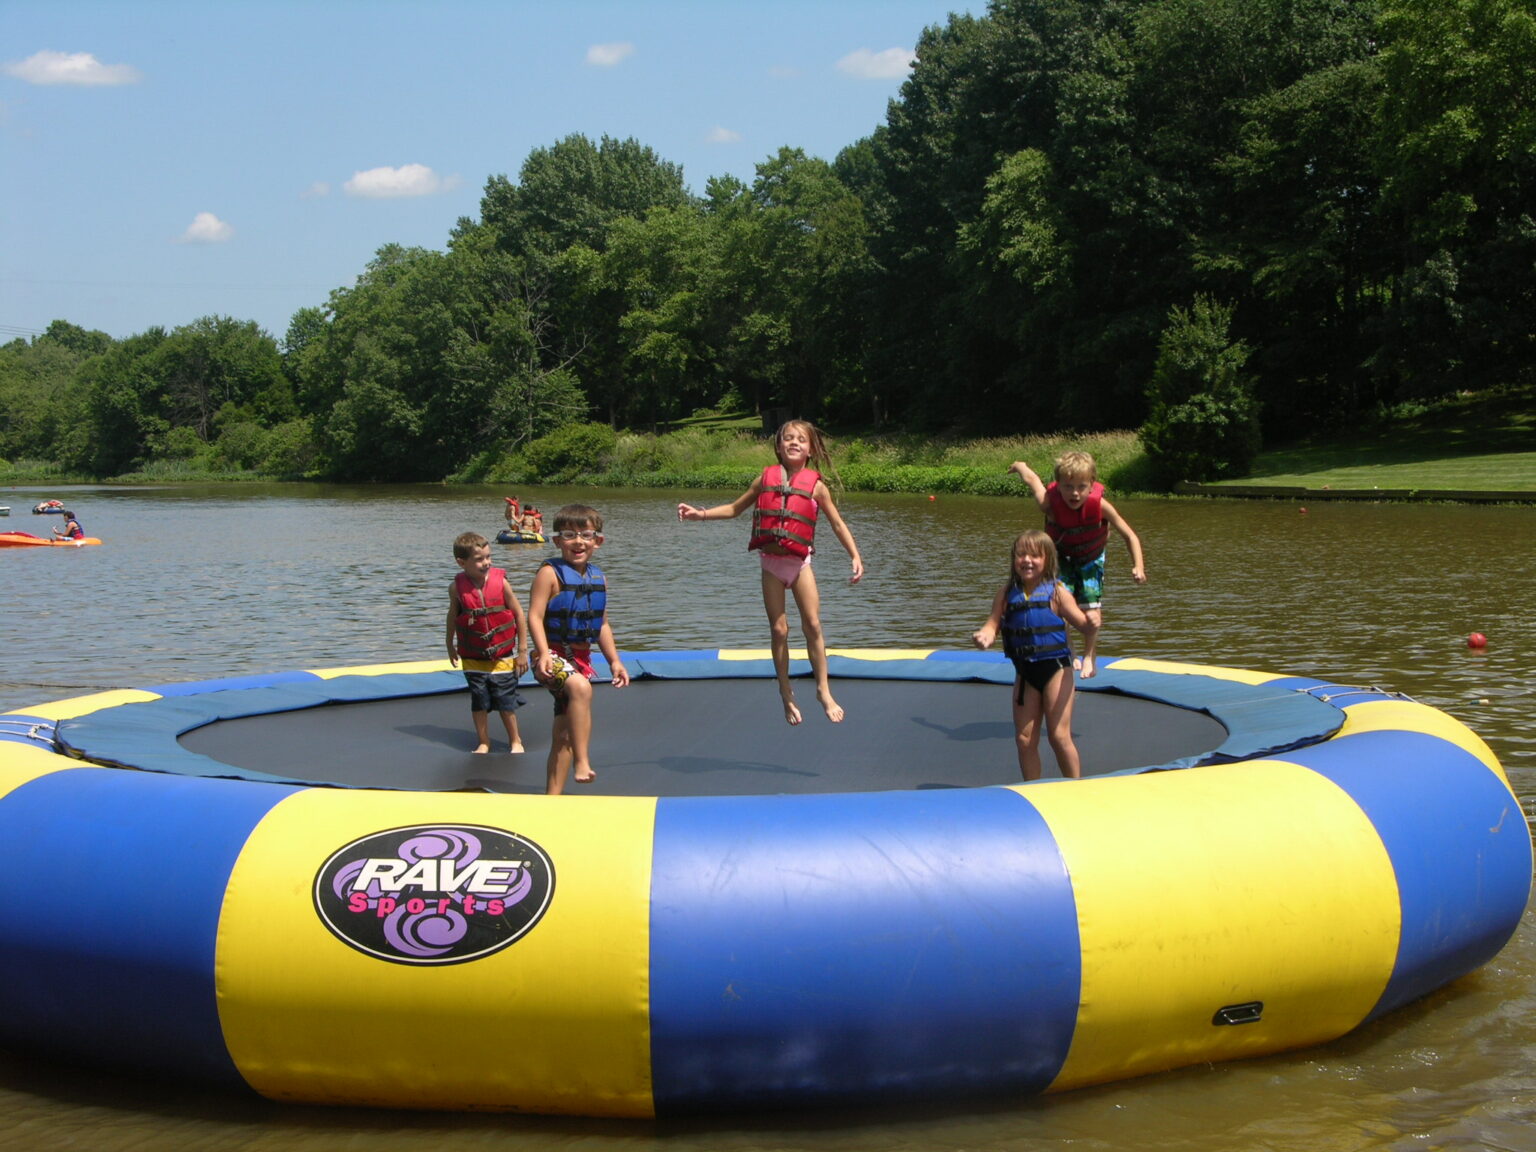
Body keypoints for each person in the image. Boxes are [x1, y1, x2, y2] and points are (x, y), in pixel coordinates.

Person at [678, 419, 864, 725]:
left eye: (800, 439)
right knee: (779, 630)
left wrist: (855, 555)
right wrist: (701, 514)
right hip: (771, 565)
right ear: (778, 446)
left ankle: (823, 690)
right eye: (787, 438)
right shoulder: (764, 479)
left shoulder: (817, 486)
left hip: (799, 564)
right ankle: (786, 691)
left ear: (811, 448)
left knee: (813, 625)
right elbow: (735, 509)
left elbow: (837, 523)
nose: (793, 443)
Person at [972, 529, 1098, 781]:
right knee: (1024, 738)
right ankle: (1034, 789)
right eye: (1021, 554)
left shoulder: (1057, 593)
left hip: (1056, 670)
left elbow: (1082, 625)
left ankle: (1075, 787)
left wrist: (1090, 624)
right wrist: (985, 635)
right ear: (1013, 559)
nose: (1027, 560)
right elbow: (992, 623)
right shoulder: (1006, 593)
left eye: (1034, 555)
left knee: (1058, 736)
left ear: (1047, 560)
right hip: (1025, 673)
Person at [1009, 452, 1145, 679]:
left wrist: (1138, 566)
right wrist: (1020, 466)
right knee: (1059, 603)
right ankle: (1069, 648)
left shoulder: (1100, 506)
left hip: (1091, 557)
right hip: (1062, 556)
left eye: (1081, 487)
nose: (1074, 493)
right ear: (1058, 486)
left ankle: (1090, 655)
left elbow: (1130, 535)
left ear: (1092, 485)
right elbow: (1032, 480)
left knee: (1091, 607)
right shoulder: (1049, 503)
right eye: (1068, 486)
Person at [527, 503, 629, 794]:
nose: (578, 542)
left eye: (586, 535)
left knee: (563, 736)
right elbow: (534, 615)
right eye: (570, 535)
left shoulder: (598, 578)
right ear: (558, 541)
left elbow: (603, 625)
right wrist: (544, 652)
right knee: (582, 689)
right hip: (550, 656)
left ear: (598, 541)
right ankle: (582, 763)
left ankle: (552, 798)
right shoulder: (549, 574)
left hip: (580, 659)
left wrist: (615, 661)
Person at [446, 531, 528, 755]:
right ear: (461, 562)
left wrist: (522, 651)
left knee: (505, 700)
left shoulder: (501, 583)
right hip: (472, 657)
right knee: (479, 700)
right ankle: (484, 741)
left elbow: (519, 614)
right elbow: (453, 616)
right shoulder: (456, 588)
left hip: (502, 655)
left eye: (488, 557)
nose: (486, 563)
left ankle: (515, 740)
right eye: (480, 559)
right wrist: (449, 643)